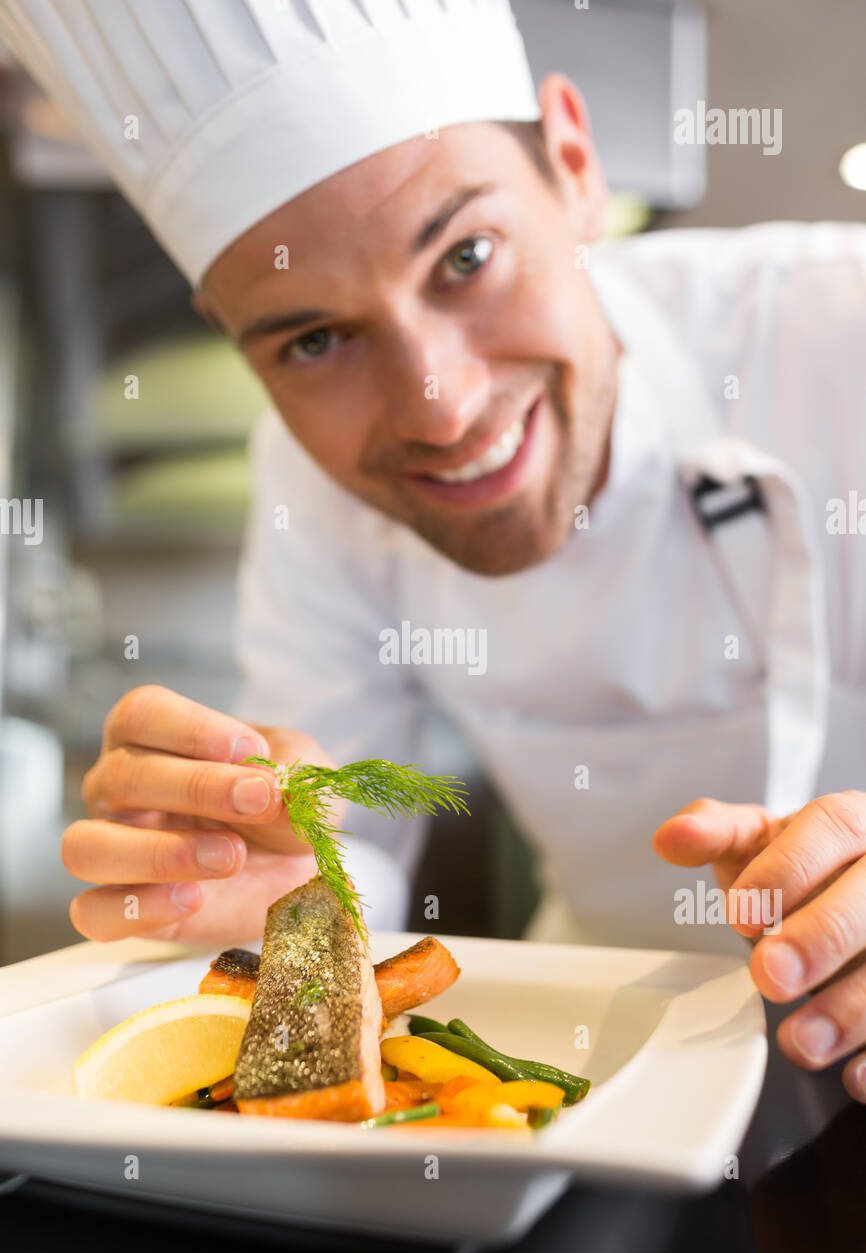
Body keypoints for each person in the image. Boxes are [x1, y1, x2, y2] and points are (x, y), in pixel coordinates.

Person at [3, 2, 865, 1104]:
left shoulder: (837, 327)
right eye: (314, 339)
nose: (441, 409)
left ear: (572, 163)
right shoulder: (309, 484)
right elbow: (349, 848)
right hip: (597, 1089)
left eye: (464, 256)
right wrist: (252, 878)